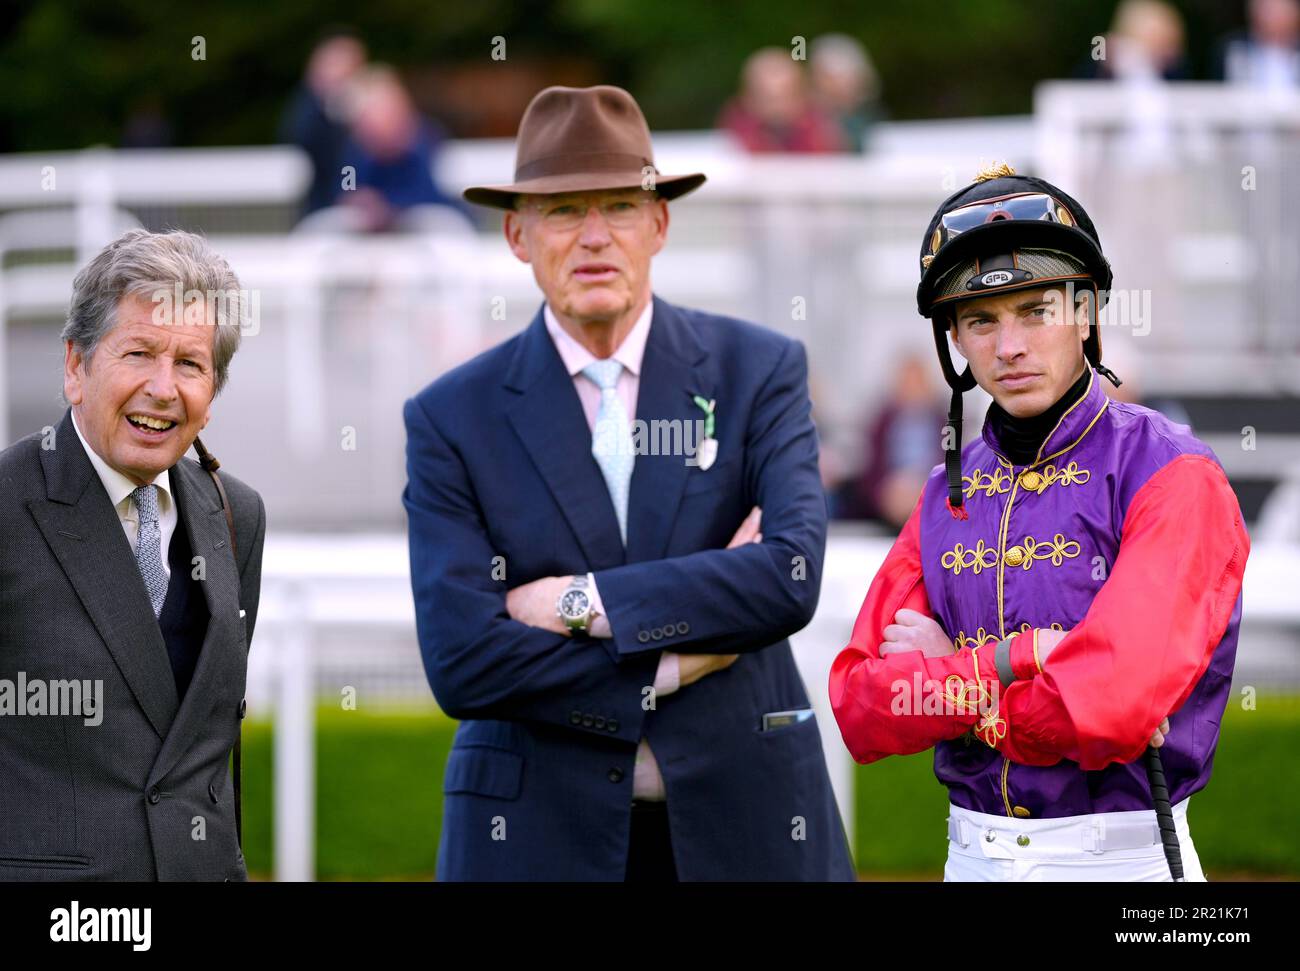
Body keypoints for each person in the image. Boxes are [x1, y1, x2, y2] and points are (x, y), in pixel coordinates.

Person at [404, 84, 855, 881]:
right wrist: (673, 661)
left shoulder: (759, 370)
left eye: (618, 205)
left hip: (744, 823)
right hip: (538, 832)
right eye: (564, 211)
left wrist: (580, 604)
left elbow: (788, 577)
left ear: (659, 224)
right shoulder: (450, 417)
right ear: (516, 234)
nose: (594, 237)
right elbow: (463, 659)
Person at [828, 164, 1249, 881]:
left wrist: (949, 679)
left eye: (1036, 311)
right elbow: (864, 707)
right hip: (968, 857)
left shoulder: (1176, 472)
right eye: (982, 320)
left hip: (1124, 863)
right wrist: (1013, 661)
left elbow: (1111, 706)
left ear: (1085, 313)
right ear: (955, 339)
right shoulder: (941, 494)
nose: (1009, 345)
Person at [0, 229, 266, 880]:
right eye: (139, 352)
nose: (162, 388)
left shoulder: (239, 515)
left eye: (190, 364)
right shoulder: (7, 504)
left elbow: (205, 751)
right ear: (75, 365)